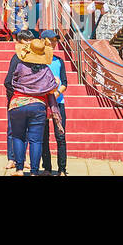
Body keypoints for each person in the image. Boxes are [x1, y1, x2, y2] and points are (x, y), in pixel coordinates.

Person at [3, 29, 59, 175]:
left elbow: (11, 82)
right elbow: (52, 87)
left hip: (17, 104)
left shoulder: (21, 66)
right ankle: (34, 171)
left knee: (18, 136)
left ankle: (19, 169)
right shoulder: (46, 70)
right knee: (36, 140)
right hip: (38, 105)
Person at [39, 30, 69, 176]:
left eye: (55, 40)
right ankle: (47, 168)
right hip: (42, 104)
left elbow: (64, 83)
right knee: (44, 136)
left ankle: (62, 169)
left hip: (58, 103)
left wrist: (56, 95)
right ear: (44, 41)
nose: (54, 43)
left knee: (60, 136)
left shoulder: (59, 61)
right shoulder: (38, 60)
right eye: (51, 40)